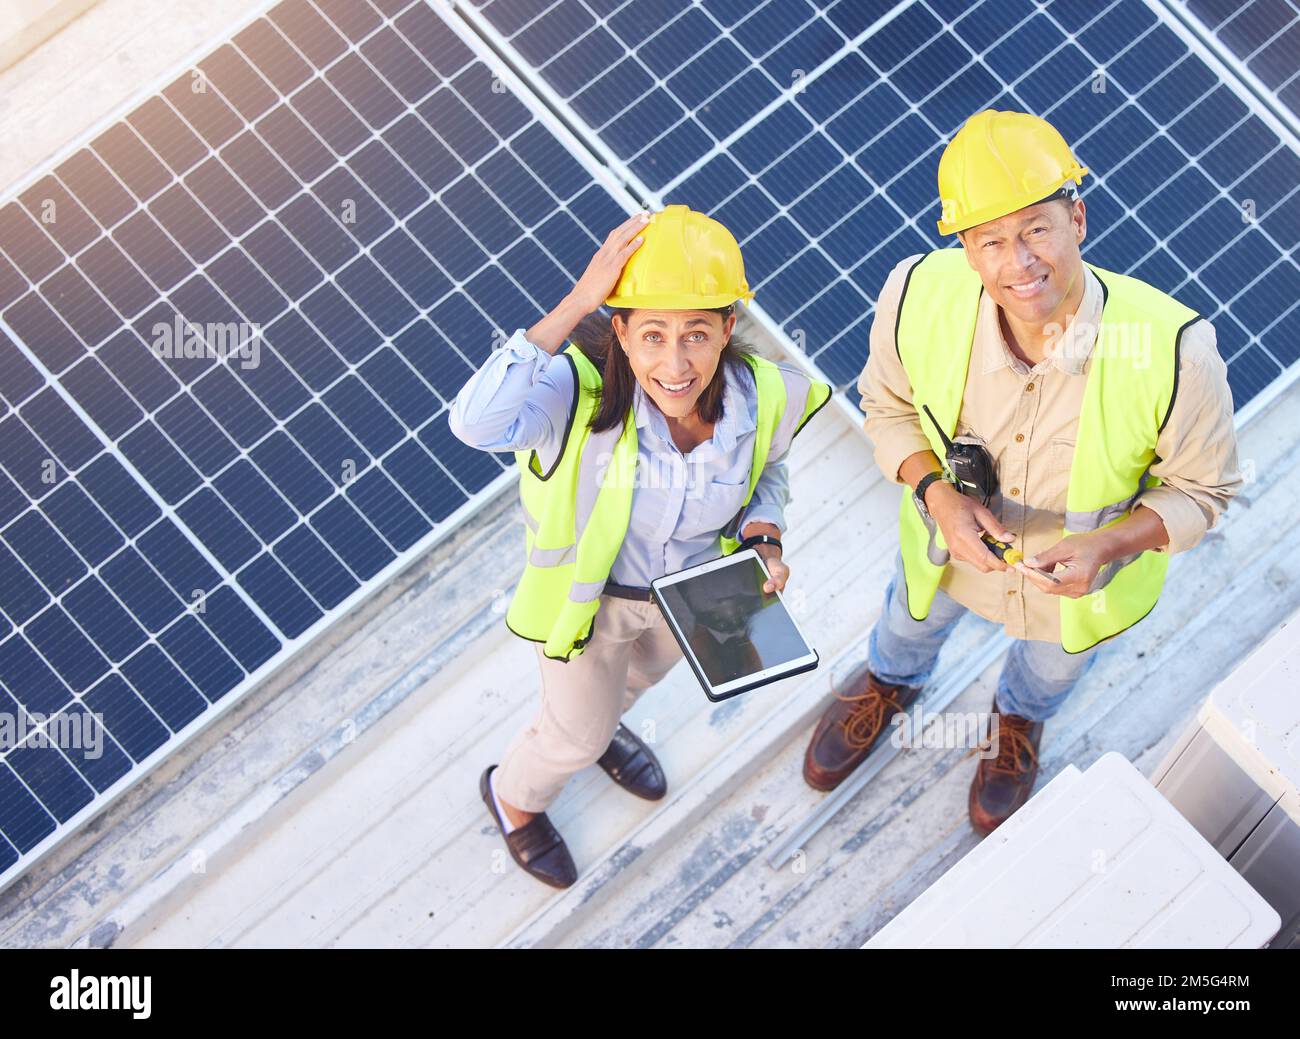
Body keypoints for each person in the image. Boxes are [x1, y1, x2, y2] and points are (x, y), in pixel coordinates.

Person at [802, 110, 1243, 836]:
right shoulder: (917, 293)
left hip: (1078, 585)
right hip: (949, 547)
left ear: (1078, 218)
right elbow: (885, 407)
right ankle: (889, 682)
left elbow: (1203, 490)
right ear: (967, 252)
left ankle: (1016, 724)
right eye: (991, 240)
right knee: (908, 624)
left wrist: (1108, 546)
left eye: (1037, 228)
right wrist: (934, 492)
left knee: (1049, 672)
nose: (1019, 262)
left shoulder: (1174, 349)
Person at [451, 205, 831, 887]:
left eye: (695, 333)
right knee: (573, 733)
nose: (675, 362)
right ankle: (515, 795)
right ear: (620, 331)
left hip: (687, 597)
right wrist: (577, 302)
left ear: (727, 328)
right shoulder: (574, 399)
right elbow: (476, 422)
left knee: (634, 683)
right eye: (651, 334)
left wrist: (763, 534)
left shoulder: (765, 396)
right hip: (587, 607)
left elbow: (767, 473)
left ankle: (602, 724)